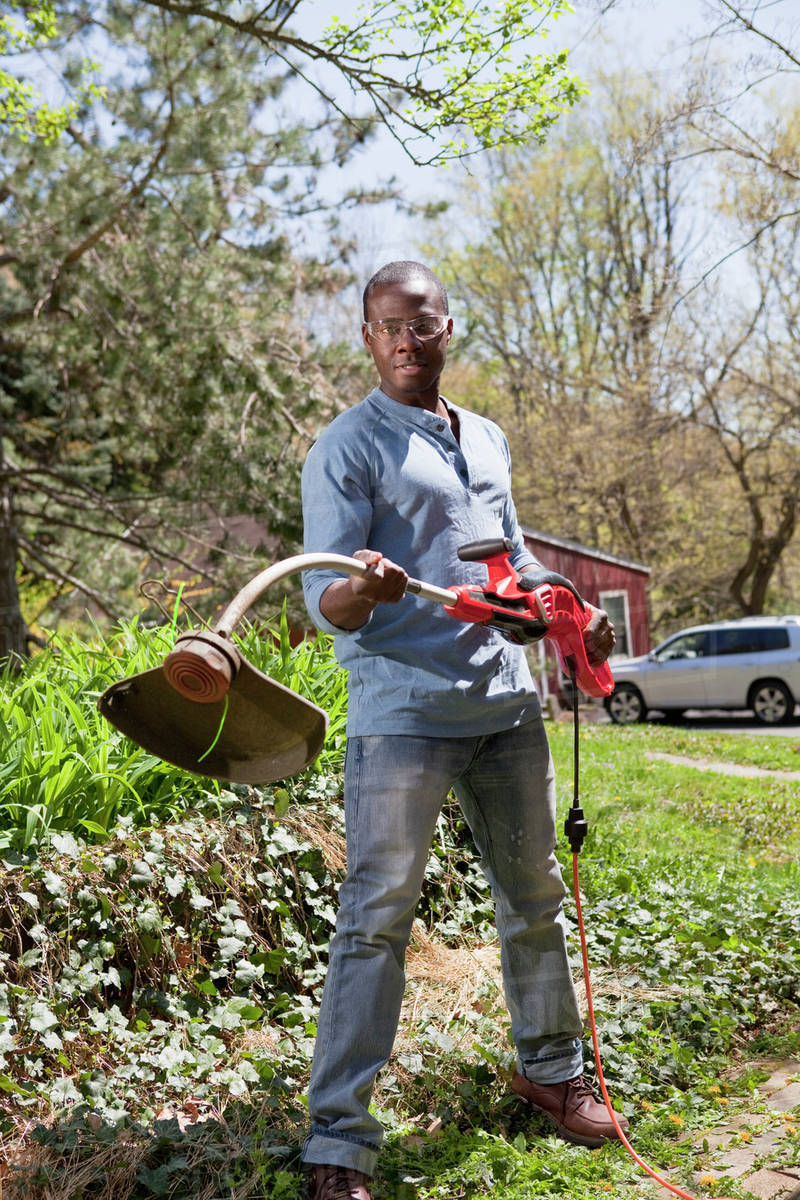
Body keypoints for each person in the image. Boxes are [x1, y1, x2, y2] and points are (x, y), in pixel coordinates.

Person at [299, 261, 628, 1200]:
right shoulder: (347, 448)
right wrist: (363, 587)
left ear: (448, 329)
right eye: (387, 328)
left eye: (421, 325)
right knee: (375, 922)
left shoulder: (483, 437)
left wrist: (559, 610)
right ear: (368, 338)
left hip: (506, 707)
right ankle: (338, 1142)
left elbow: (511, 559)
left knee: (535, 900)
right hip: (403, 718)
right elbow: (327, 597)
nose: (406, 342)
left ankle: (552, 1072)